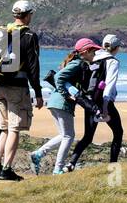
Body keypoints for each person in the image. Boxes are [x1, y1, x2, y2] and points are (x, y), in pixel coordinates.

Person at [0, 0, 43, 181]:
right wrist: (38, 93)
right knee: (14, 129)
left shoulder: (0, 33)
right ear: (28, 15)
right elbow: (33, 67)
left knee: (4, 129)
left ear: (14, 15)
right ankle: (7, 169)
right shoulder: (29, 36)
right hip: (16, 88)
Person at [30, 38, 98, 176]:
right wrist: (65, 94)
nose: (95, 55)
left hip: (55, 102)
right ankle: (57, 169)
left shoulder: (76, 62)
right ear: (85, 51)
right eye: (93, 52)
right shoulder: (78, 63)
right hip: (61, 102)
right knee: (69, 136)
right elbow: (59, 77)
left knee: (64, 135)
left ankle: (38, 154)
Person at [66, 34, 125, 169]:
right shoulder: (112, 61)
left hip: (89, 102)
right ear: (116, 48)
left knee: (88, 137)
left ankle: (70, 164)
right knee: (118, 133)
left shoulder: (94, 58)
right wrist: (105, 106)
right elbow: (109, 84)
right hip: (104, 102)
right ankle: (113, 165)